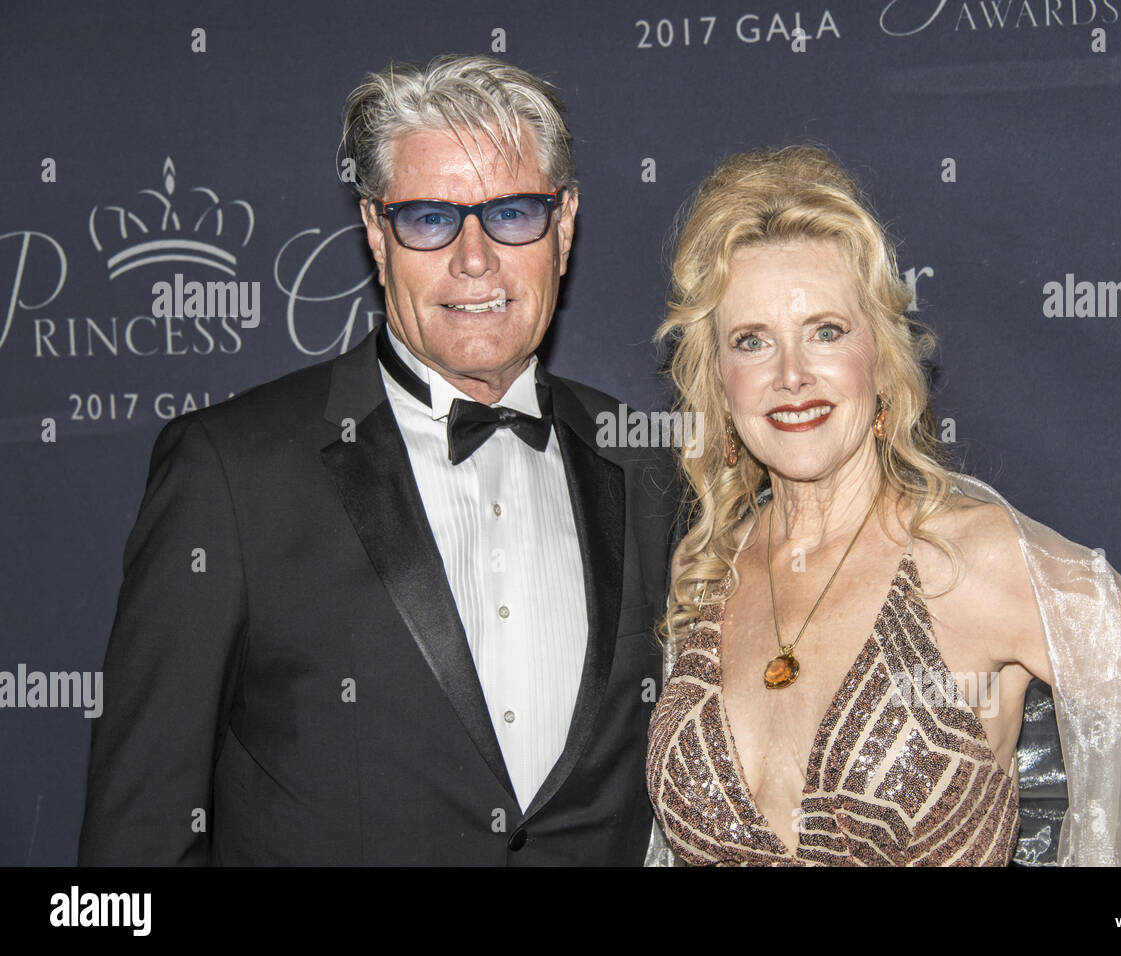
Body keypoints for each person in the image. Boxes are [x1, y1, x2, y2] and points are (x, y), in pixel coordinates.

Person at [78, 54, 676, 865]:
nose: (474, 259)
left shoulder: (653, 469)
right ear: (375, 232)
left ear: (564, 225)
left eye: (512, 214)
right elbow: (135, 844)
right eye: (430, 218)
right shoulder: (231, 471)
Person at [644, 145, 1121, 866]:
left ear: (882, 361)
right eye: (752, 342)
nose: (792, 375)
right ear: (720, 382)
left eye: (826, 332)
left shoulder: (978, 561)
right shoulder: (706, 571)